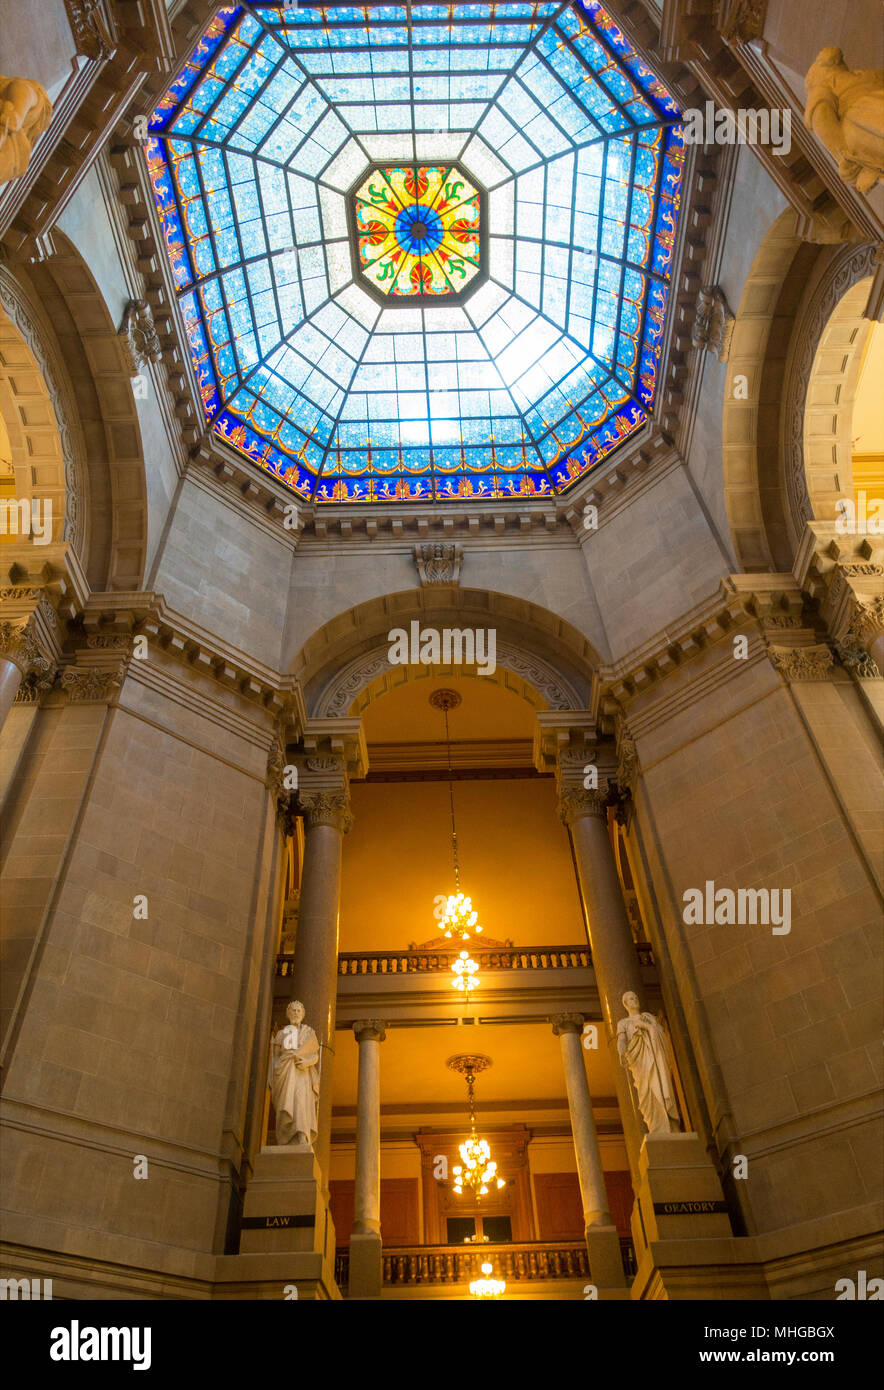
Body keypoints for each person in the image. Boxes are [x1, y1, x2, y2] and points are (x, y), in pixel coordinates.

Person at [616, 990, 680, 1135]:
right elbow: (621, 1040)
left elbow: (660, 1034)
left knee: (663, 1086)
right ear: (625, 1004)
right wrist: (621, 1053)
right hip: (640, 1064)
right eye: (631, 999)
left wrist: (648, 1027)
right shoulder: (623, 1023)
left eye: (636, 997)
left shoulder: (649, 1018)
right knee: (646, 1093)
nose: (635, 1000)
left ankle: (671, 1125)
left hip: (656, 1059)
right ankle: (657, 1127)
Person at [268, 999, 319, 1146]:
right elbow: (275, 1058)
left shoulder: (309, 1033)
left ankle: (302, 1135)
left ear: (303, 1014)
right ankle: (284, 1136)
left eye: (298, 1011)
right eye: (293, 1011)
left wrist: (306, 1062)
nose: (296, 1013)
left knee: (300, 1102)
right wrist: (277, 1072)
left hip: (302, 1073)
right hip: (284, 1072)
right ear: (288, 1013)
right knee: (285, 1102)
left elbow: (314, 1056)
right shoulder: (281, 1034)